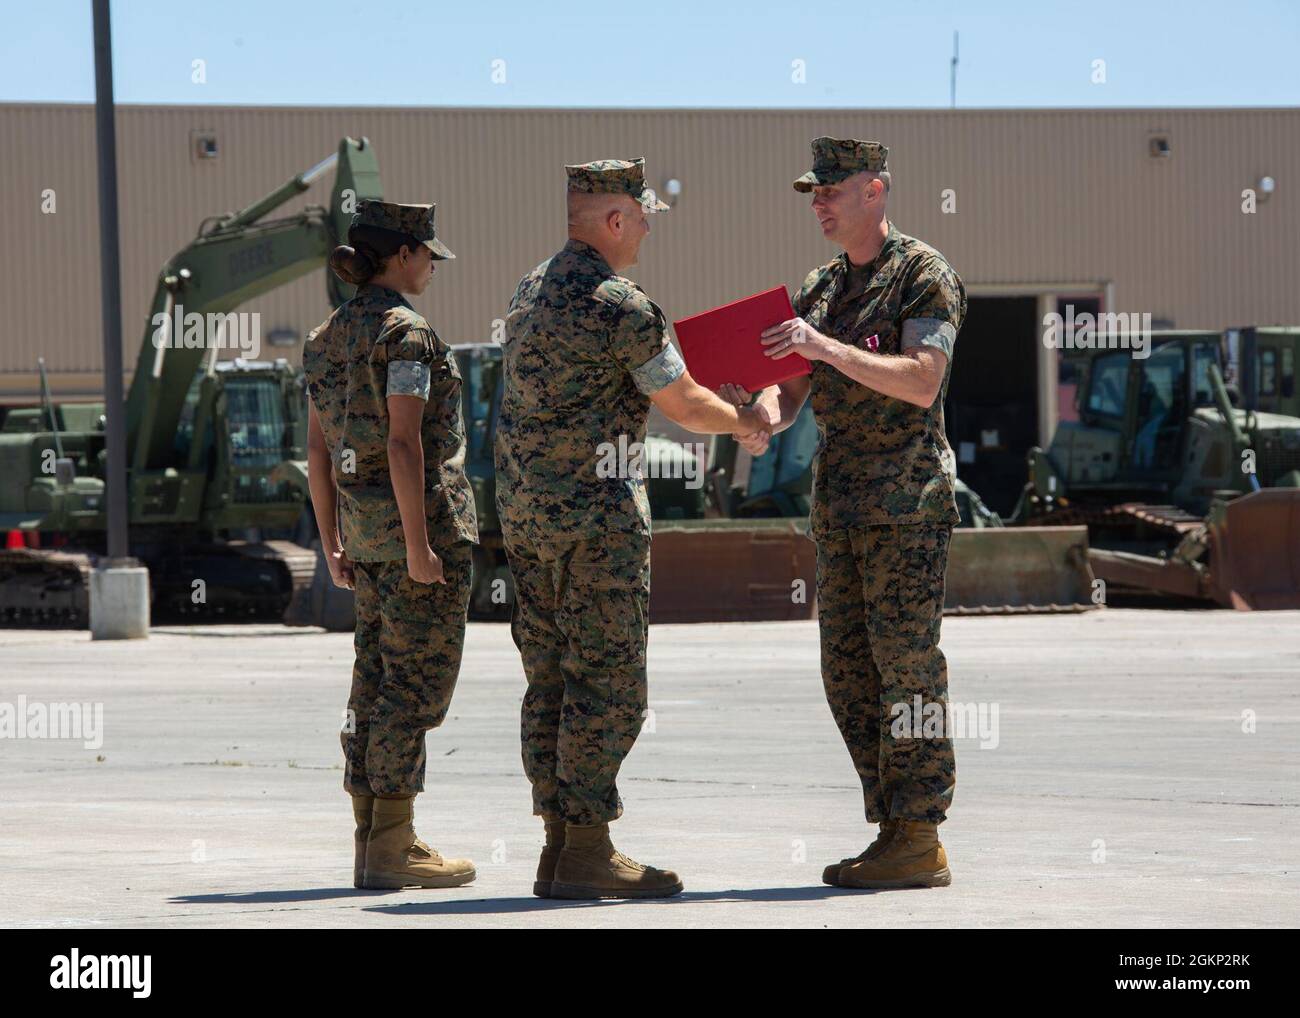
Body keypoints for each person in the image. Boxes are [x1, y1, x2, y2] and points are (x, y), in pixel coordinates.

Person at [496, 157, 773, 899]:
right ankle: (588, 849)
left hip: (528, 523)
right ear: (615, 221)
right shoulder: (620, 304)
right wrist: (745, 421)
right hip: (596, 526)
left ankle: (560, 844)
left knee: (548, 681)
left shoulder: (530, 290)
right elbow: (681, 402)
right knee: (608, 683)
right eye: (642, 212)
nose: (649, 224)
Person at [722, 138, 965, 889]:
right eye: (813, 193)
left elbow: (923, 381)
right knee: (848, 673)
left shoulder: (923, 276)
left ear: (876, 190)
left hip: (906, 506)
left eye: (832, 190)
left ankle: (921, 830)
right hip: (841, 509)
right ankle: (892, 827)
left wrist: (823, 347)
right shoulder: (820, 286)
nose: (820, 204)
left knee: (908, 668)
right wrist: (757, 413)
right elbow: (790, 390)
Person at [303, 199, 479, 890]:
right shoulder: (405, 335)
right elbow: (404, 444)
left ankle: (373, 838)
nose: (432, 264)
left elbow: (317, 453)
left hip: (365, 542)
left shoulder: (324, 339)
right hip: (418, 535)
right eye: (427, 252)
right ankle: (395, 846)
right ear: (401, 255)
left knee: (372, 686)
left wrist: (331, 544)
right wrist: (419, 547)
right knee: (413, 690)